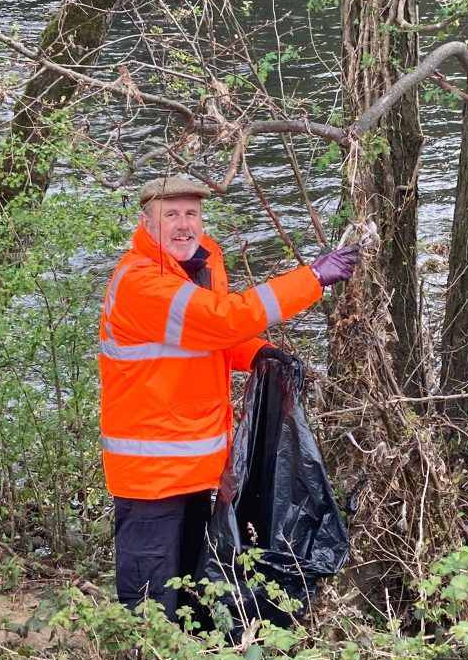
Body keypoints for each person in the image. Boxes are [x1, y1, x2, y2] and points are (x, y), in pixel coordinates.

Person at [98, 175, 358, 623]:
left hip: (199, 464)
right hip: (151, 476)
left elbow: (205, 339)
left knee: (194, 584)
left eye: (192, 214)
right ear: (146, 223)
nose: (184, 225)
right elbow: (221, 321)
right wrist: (312, 279)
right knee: (149, 594)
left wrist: (257, 351)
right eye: (171, 215)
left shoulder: (203, 260)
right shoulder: (141, 283)